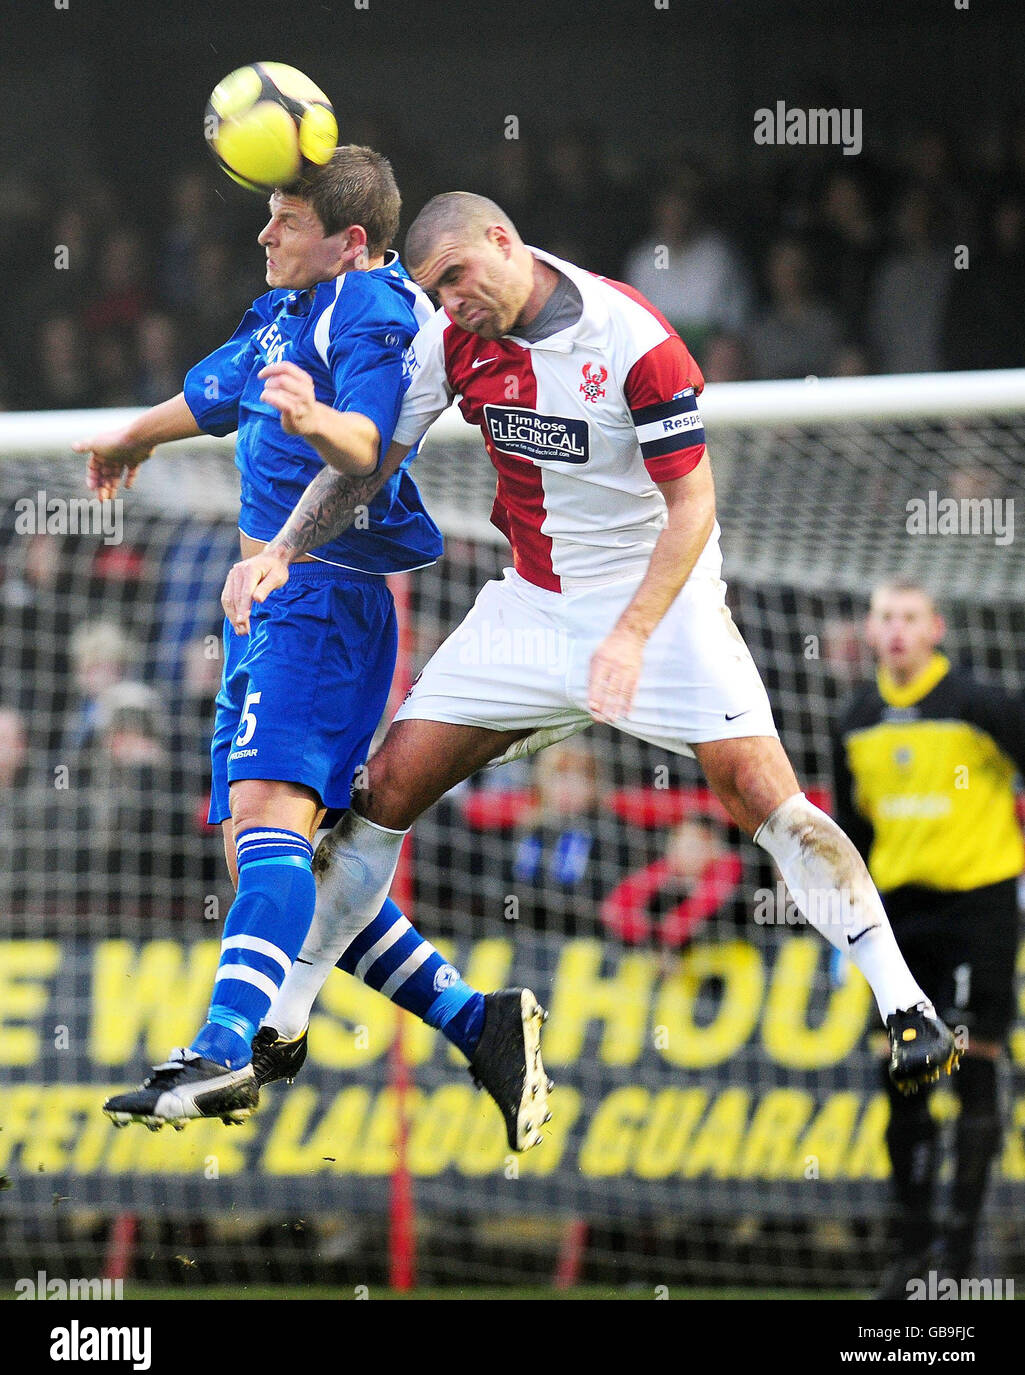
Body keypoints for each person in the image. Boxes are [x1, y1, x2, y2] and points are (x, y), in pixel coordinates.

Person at [222, 191, 957, 1108]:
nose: (449, 303)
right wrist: (282, 550)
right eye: (433, 290)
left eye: (456, 278)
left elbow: (693, 508)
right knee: (379, 796)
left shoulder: (634, 341)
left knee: (766, 799)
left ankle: (907, 1008)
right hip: (531, 609)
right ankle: (282, 1028)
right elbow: (368, 459)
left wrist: (631, 635)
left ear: (504, 241)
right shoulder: (452, 339)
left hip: (662, 607)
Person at [73, 154, 551, 1151]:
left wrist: (313, 419)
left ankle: (224, 1045)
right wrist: (135, 439)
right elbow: (216, 394)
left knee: (266, 831)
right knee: (278, 849)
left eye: (282, 218)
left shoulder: (371, 307)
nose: (261, 235)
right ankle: (479, 1022)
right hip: (269, 612)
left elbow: (370, 446)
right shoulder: (287, 314)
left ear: (344, 238)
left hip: (319, 599)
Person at [831, 578, 1024, 1297]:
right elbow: (848, 831)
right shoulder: (854, 715)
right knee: (903, 1081)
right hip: (895, 920)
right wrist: (843, 924)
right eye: (885, 618)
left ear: (935, 626)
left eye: (910, 617)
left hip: (978, 909)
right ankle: (910, 1253)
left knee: (973, 1070)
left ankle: (962, 1252)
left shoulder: (981, 705)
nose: (897, 631)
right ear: (872, 630)